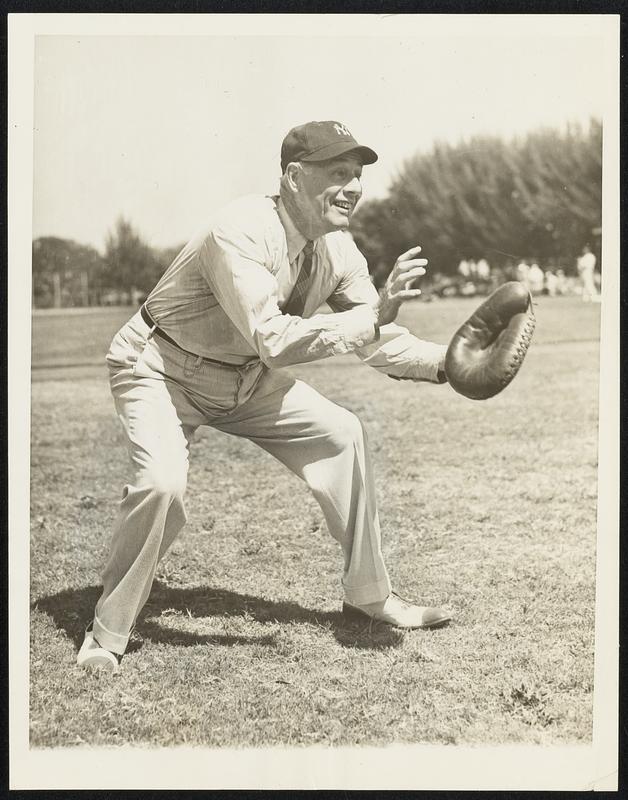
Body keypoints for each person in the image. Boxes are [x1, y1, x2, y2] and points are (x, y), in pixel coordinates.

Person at [78, 120, 452, 672]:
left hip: (246, 378)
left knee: (342, 433)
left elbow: (375, 337)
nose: (353, 187)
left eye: (357, 174)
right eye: (338, 173)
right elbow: (274, 339)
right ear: (294, 177)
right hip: (161, 367)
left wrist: (450, 362)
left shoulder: (339, 250)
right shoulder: (241, 229)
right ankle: (107, 633)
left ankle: (370, 596)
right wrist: (372, 317)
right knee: (162, 484)